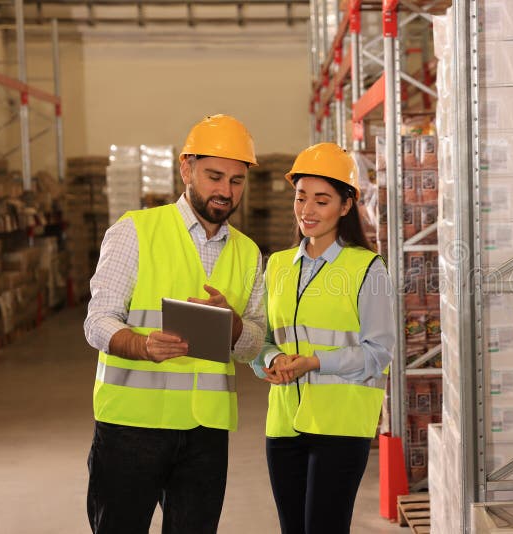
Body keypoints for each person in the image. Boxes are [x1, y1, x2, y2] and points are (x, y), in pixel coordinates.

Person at [83, 114, 266, 534]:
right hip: (132, 427)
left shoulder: (248, 253)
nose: (225, 190)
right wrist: (141, 345)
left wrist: (236, 328)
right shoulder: (135, 231)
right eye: (214, 176)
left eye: (236, 181)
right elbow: (97, 321)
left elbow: (254, 343)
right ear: (186, 168)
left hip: (206, 432)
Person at [250, 142, 396, 534]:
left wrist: (315, 362)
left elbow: (379, 352)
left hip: (341, 427)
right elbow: (260, 340)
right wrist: (268, 361)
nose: (307, 210)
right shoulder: (277, 266)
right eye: (301, 198)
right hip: (283, 425)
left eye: (321, 200)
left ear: (346, 206)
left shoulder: (368, 268)